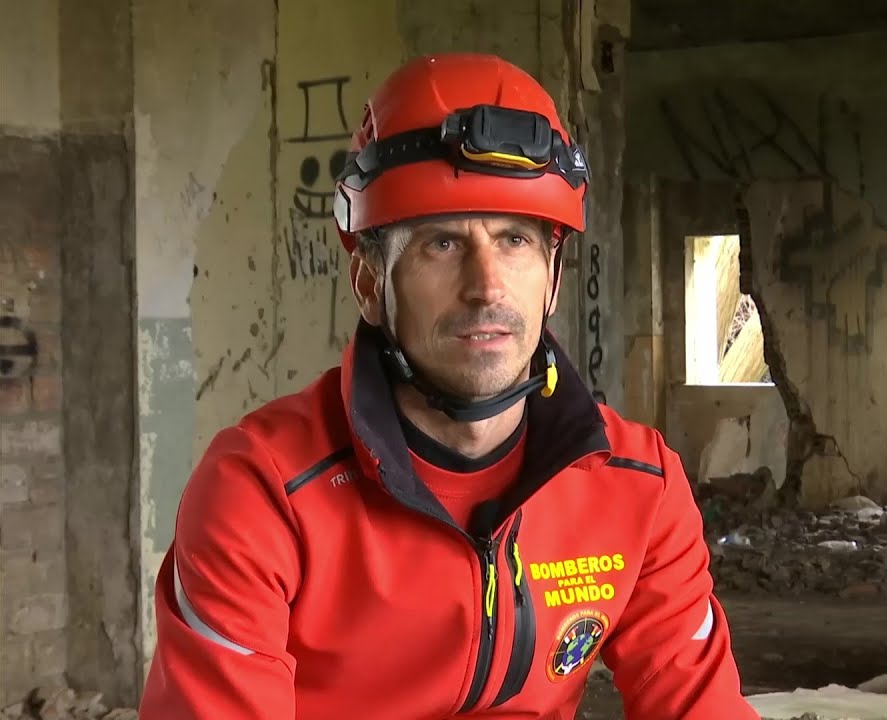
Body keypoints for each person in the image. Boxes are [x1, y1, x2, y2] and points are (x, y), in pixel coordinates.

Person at [138, 52, 760, 719]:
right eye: (441, 243)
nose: (486, 287)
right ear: (372, 284)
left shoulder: (637, 484)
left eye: (515, 240)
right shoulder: (262, 495)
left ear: (552, 278)